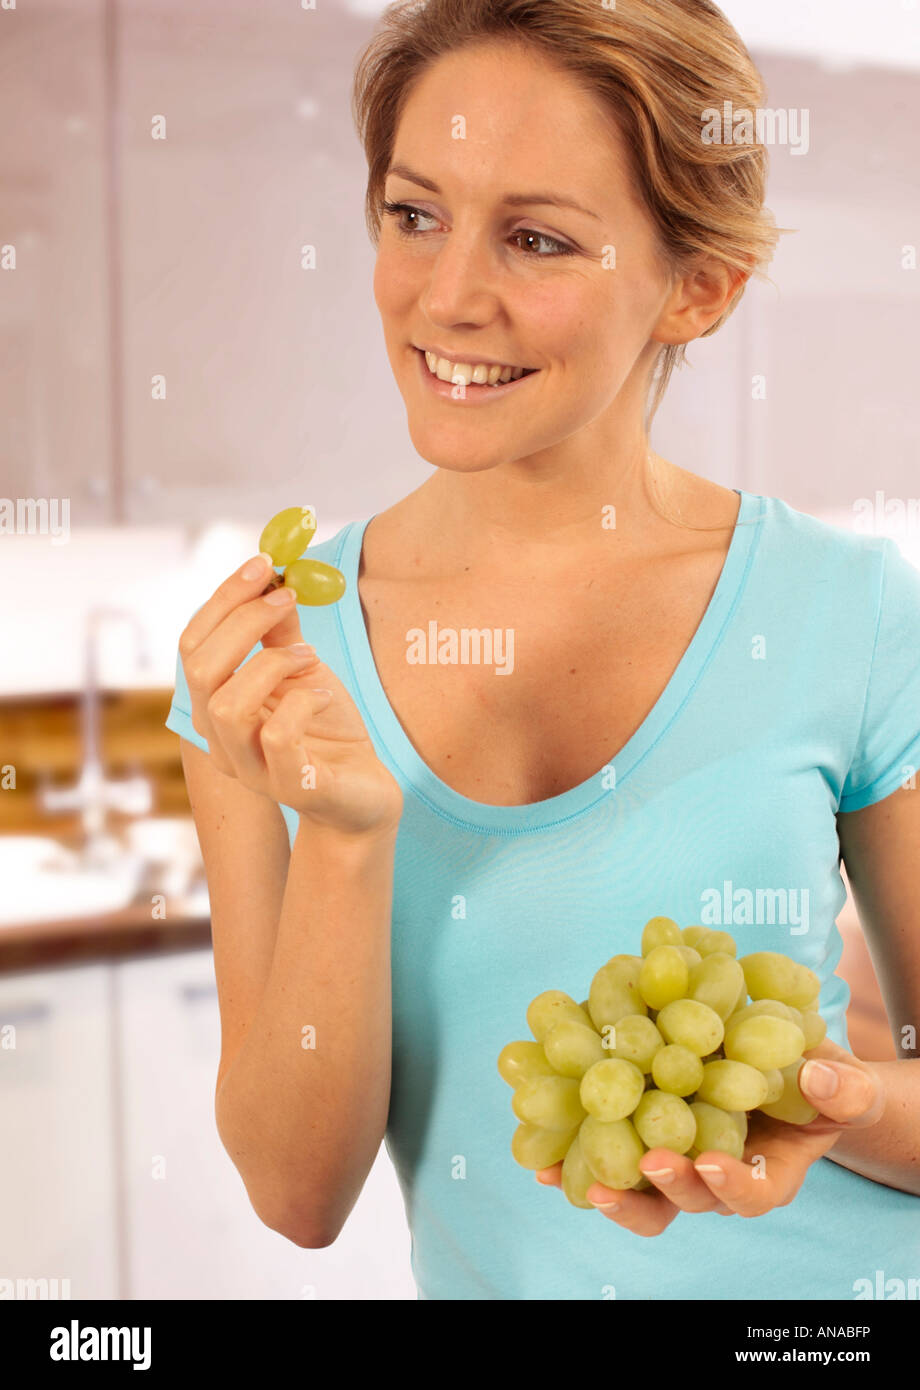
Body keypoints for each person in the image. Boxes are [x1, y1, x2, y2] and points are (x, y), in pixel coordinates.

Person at [166, 0, 920, 1299]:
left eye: (537, 238)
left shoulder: (846, 607)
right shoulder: (270, 656)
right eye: (414, 213)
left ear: (699, 286)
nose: (448, 295)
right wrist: (348, 832)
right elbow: (298, 1196)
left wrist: (837, 1106)